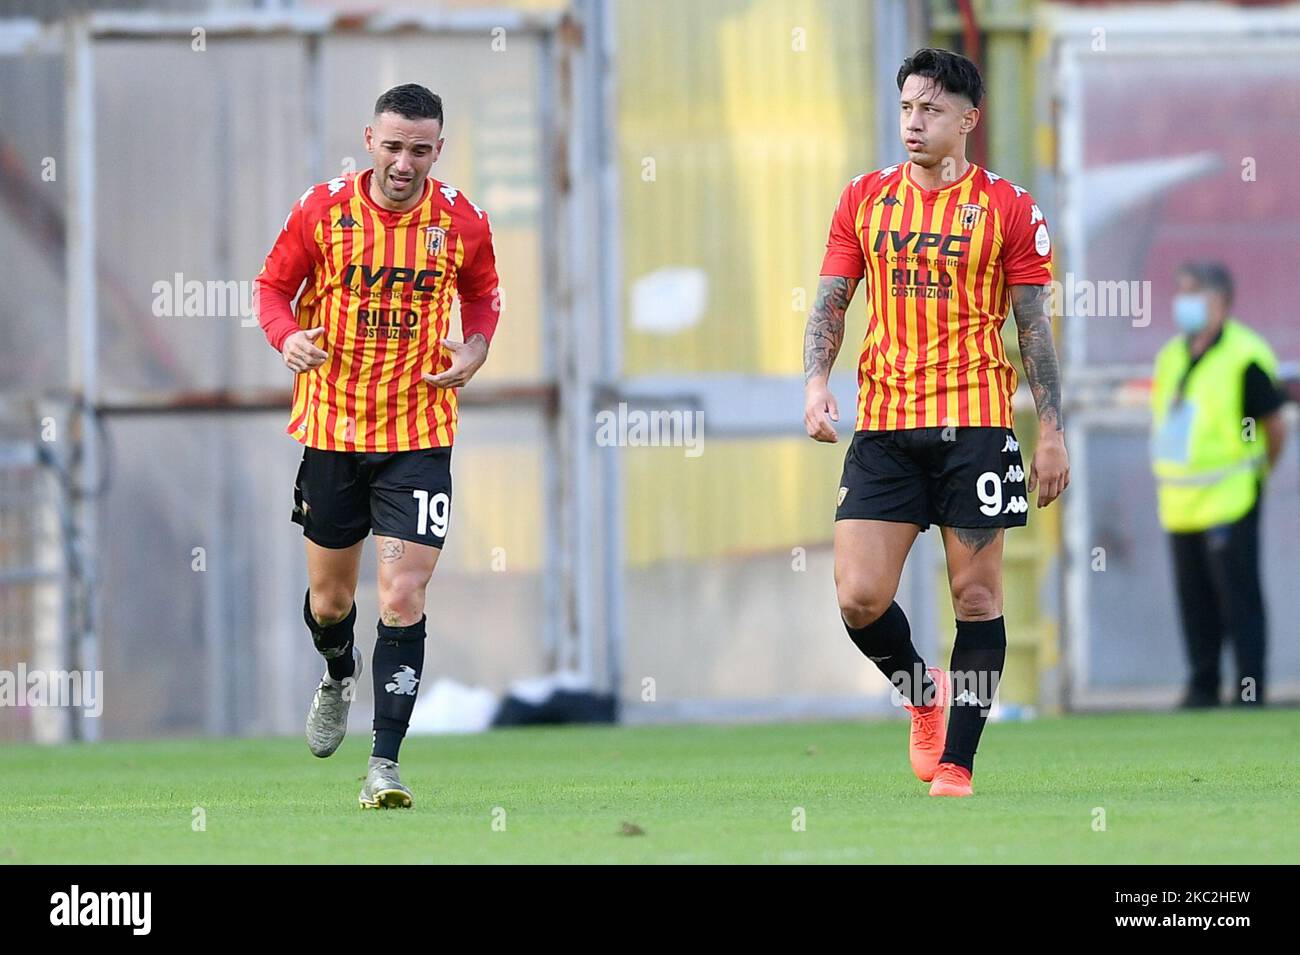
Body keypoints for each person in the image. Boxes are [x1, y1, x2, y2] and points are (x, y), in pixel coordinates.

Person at [802, 48, 1069, 797]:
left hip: (977, 426)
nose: (914, 123)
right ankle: (923, 692)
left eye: (931, 110)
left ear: (967, 120)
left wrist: (1050, 430)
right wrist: (817, 383)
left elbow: (1035, 329)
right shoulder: (864, 198)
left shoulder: (1011, 208)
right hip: (885, 426)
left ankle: (958, 762)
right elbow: (830, 300)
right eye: (906, 108)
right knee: (859, 596)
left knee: (977, 598)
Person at [254, 83, 501, 808]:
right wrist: (288, 336)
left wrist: (477, 346)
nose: (404, 163)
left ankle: (383, 765)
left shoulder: (460, 220)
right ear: (369, 139)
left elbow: (484, 291)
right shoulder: (323, 210)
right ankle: (338, 670)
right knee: (332, 602)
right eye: (393, 146)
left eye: (419, 150)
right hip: (332, 430)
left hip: (418, 435)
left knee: (402, 590)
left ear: (439, 150)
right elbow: (272, 288)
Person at [1151, 262, 1287, 708]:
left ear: (1220, 301)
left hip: (1230, 497)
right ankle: (1202, 687)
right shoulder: (1172, 355)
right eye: (1182, 291)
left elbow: (1272, 424)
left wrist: (1257, 469)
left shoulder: (1244, 355)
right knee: (1195, 602)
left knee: (1239, 598)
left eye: (1194, 293)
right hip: (1181, 499)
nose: (1184, 303)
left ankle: (1250, 691)